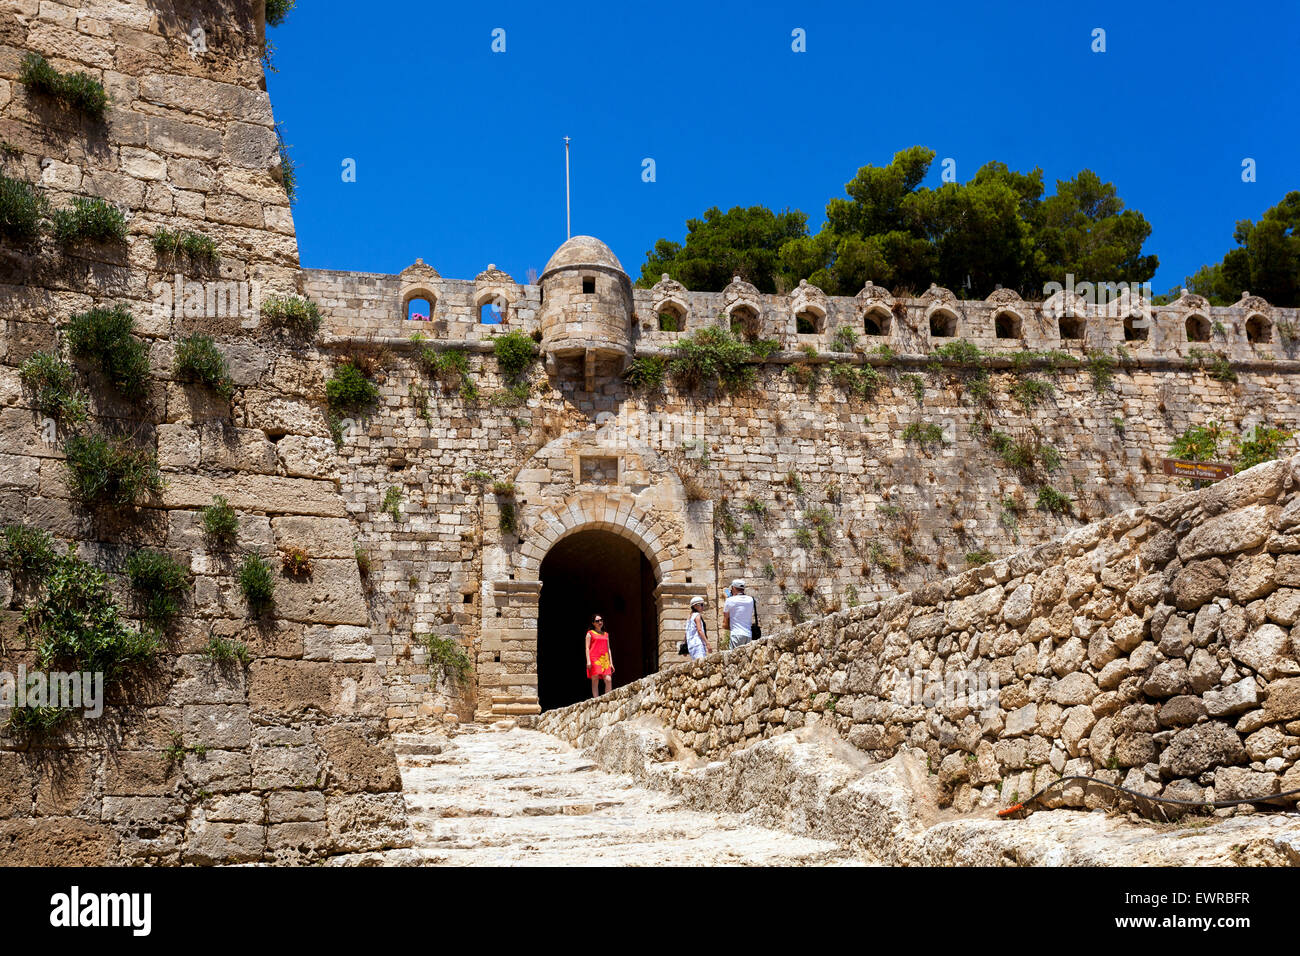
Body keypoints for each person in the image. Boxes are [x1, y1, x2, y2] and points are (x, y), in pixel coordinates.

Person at [723, 579, 758, 648]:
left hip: (736, 634)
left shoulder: (730, 600)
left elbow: (726, 617)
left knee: (733, 657)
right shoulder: (750, 599)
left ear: (733, 588)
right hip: (748, 634)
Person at [585, 615, 613, 698]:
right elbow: (587, 648)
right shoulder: (590, 633)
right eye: (597, 621)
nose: (600, 622)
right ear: (593, 623)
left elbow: (608, 649)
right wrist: (588, 661)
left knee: (608, 679)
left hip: (604, 659)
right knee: (595, 679)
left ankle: (608, 698)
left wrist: (611, 662)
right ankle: (596, 699)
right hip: (594, 658)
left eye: (601, 620)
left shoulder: (606, 634)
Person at [684, 596, 710, 660]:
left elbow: (686, 634)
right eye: (701, 605)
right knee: (701, 664)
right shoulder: (697, 615)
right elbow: (699, 630)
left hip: (691, 646)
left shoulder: (689, 618)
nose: (702, 607)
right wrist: (707, 643)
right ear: (695, 606)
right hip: (698, 644)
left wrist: (685, 647)